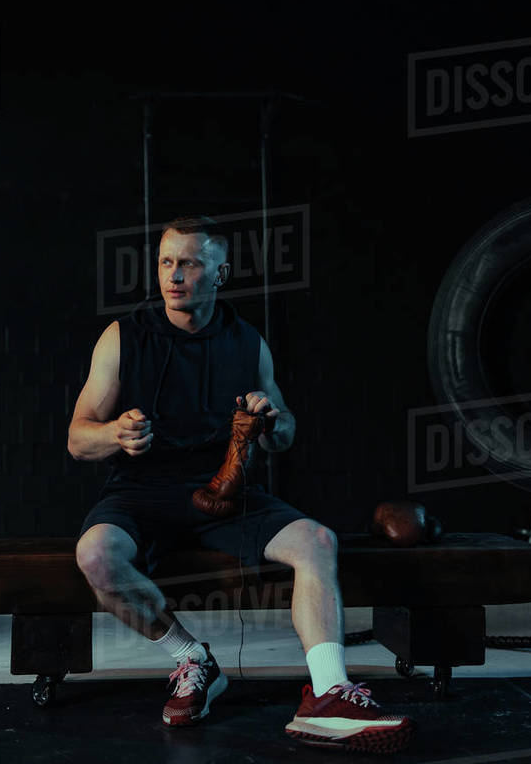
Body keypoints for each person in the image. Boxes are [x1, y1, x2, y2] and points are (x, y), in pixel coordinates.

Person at [67, 216, 413, 753]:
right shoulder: (123, 336)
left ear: (220, 273)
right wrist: (114, 432)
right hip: (142, 493)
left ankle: (327, 694)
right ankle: (192, 658)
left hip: (226, 493)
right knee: (95, 556)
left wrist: (272, 418)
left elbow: (285, 434)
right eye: (165, 262)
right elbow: (77, 437)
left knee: (318, 541)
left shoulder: (246, 341)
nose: (174, 275)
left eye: (189, 263)